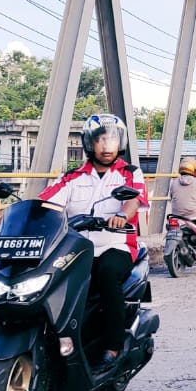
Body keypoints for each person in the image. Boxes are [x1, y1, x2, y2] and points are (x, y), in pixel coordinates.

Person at [38, 113, 146, 364]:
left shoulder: (130, 173)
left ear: (120, 143)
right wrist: (11, 213)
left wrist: (122, 216)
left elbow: (134, 199)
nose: (107, 146)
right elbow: (46, 201)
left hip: (116, 245)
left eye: (112, 140)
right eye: (100, 140)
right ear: (89, 143)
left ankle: (113, 346)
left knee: (106, 273)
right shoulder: (72, 177)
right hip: (75, 248)